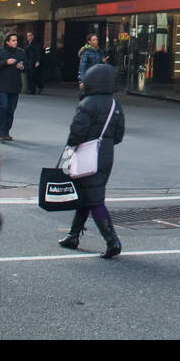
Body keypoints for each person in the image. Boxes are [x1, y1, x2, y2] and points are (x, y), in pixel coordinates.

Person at [58, 63, 126, 257]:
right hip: (105, 155)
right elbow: (119, 134)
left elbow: (76, 132)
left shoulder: (88, 103)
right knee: (87, 195)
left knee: (94, 200)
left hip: (86, 154)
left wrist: (69, 151)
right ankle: (73, 236)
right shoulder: (115, 105)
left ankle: (112, 240)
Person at [0, 33, 26, 143]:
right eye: (13, 40)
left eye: (16, 40)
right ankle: (1, 133)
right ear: (7, 42)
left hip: (15, 85)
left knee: (11, 110)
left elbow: (27, 66)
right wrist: (5, 62)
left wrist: (22, 67)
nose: (15, 42)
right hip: (2, 85)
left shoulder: (20, 53)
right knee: (3, 106)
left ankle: (6, 132)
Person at [23, 30, 44, 94]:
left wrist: (38, 61)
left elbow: (38, 53)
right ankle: (31, 90)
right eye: (27, 36)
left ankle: (39, 86)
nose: (28, 37)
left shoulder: (36, 44)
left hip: (33, 61)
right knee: (28, 76)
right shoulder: (26, 43)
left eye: (29, 36)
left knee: (33, 76)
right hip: (27, 61)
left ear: (32, 36)